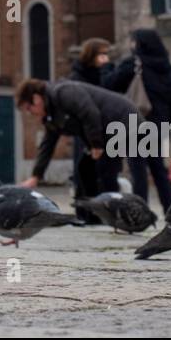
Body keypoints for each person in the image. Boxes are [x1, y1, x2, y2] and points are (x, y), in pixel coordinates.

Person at [16, 77, 138, 194]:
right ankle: (89, 212)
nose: (30, 113)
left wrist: (96, 145)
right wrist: (35, 176)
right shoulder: (51, 115)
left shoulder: (63, 93)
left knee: (105, 169)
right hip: (105, 131)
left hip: (122, 119)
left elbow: (90, 113)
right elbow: (47, 144)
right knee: (83, 170)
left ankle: (112, 206)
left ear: (36, 99)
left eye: (28, 108)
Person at [104, 28, 171, 211]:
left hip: (136, 122)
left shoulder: (133, 64)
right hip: (159, 123)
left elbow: (110, 84)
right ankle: (170, 209)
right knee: (159, 169)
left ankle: (139, 210)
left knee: (138, 170)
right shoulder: (165, 66)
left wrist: (107, 66)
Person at [67, 39, 112, 222]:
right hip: (84, 129)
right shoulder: (78, 77)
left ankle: (96, 212)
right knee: (83, 170)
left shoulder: (104, 74)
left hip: (101, 128)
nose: (105, 59)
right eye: (102, 55)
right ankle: (83, 212)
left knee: (99, 171)